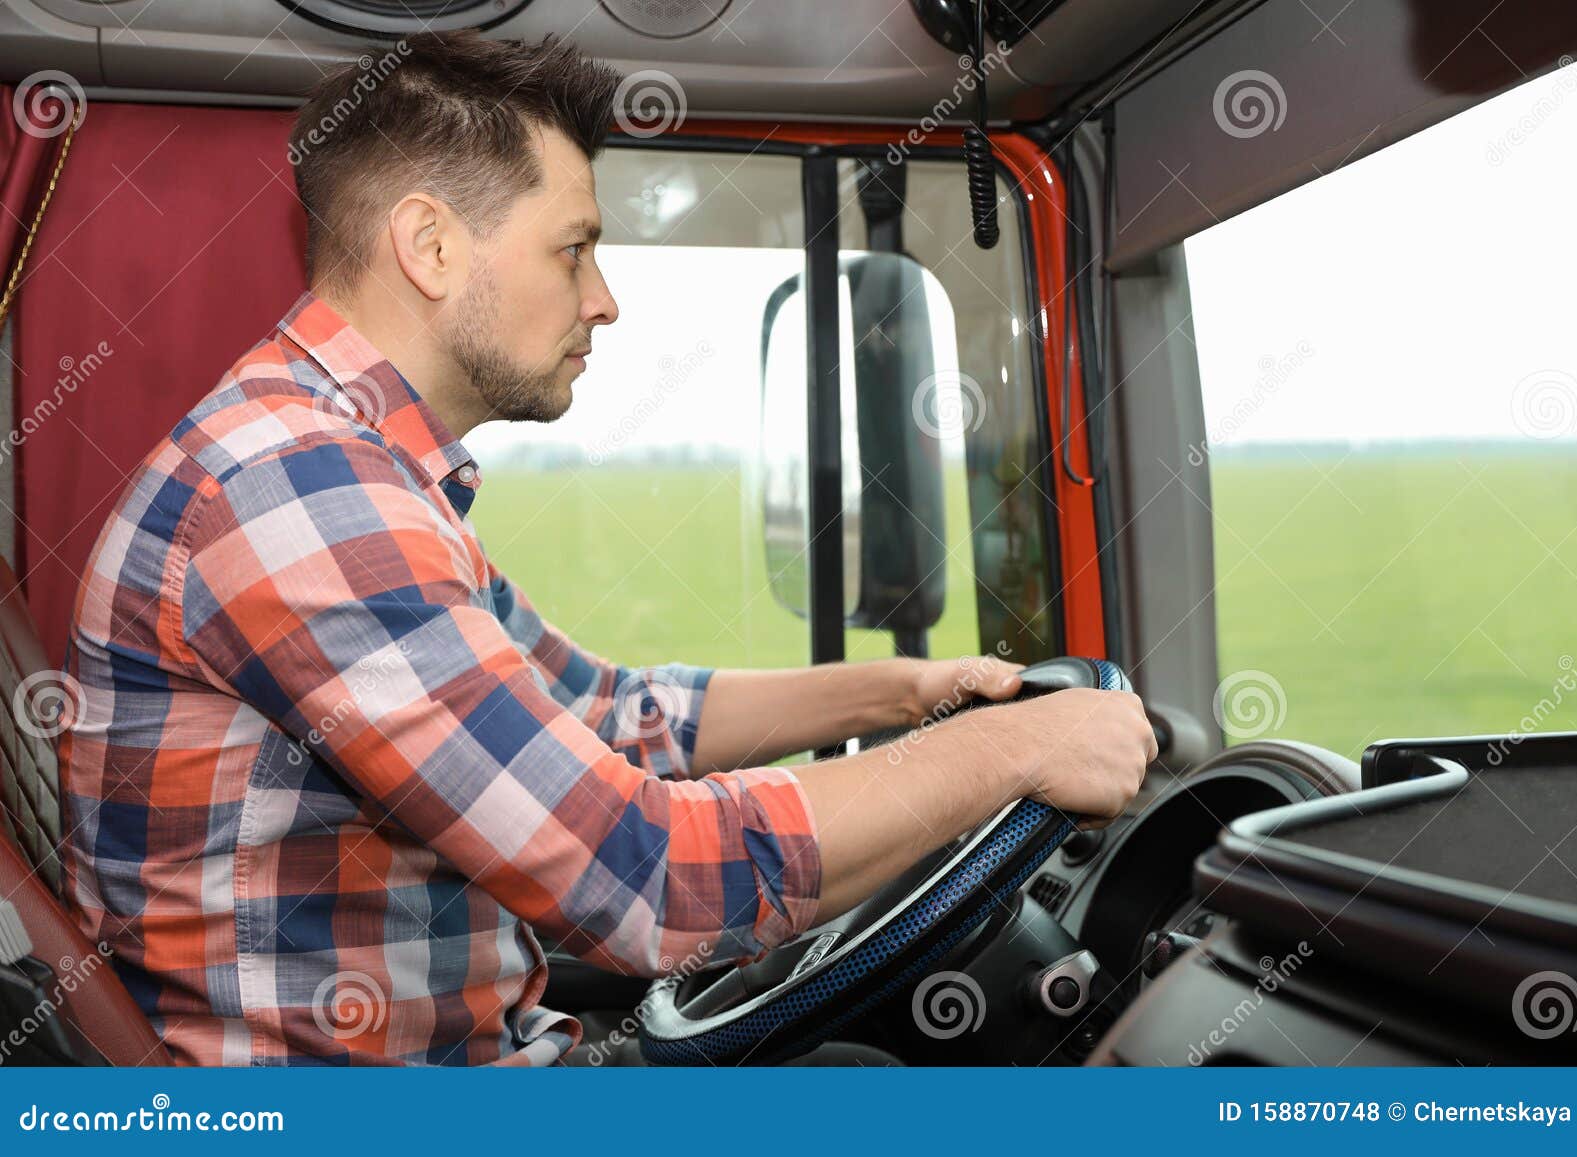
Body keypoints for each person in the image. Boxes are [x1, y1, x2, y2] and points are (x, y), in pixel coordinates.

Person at [59, 31, 1156, 1067]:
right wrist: (1009, 753)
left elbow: (616, 711)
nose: (605, 300)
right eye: (574, 248)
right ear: (431, 248)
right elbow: (648, 879)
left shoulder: (348, 470)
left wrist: (911, 692)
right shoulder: (299, 490)